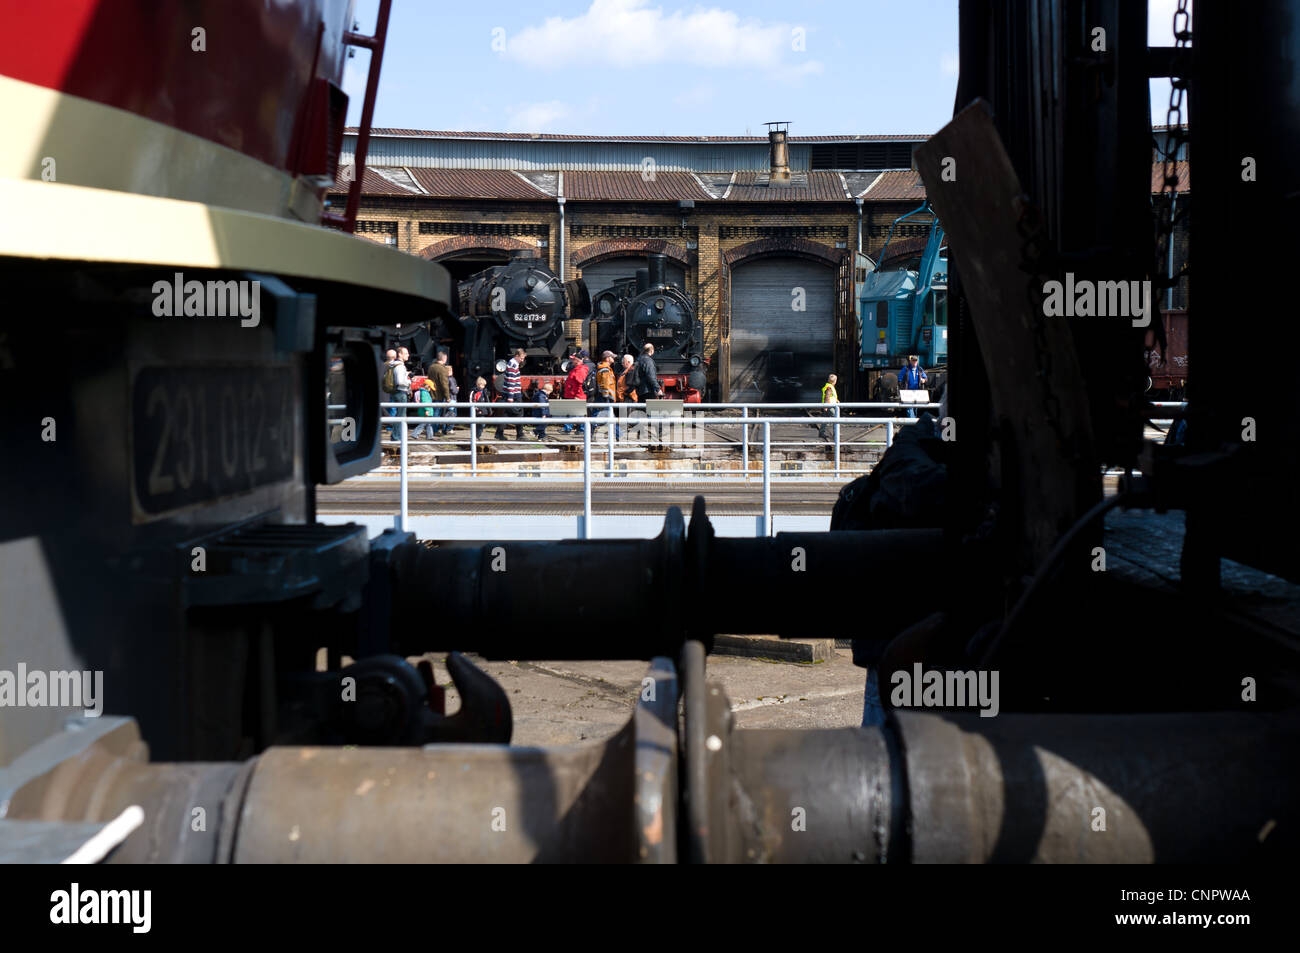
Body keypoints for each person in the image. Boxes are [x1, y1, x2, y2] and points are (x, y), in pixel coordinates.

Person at [381, 348, 410, 442]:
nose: (408, 355)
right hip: (401, 392)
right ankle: (396, 436)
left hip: (395, 392)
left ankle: (396, 435)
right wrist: (409, 382)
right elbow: (400, 381)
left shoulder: (393, 365)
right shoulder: (400, 366)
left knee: (398, 415)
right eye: (406, 353)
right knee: (401, 416)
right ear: (400, 354)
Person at [495, 356, 525, 442]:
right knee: (519, 412)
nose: (522, 360)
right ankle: (520, 434)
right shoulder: (513, 365)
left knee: (506, 413)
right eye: (522, 358)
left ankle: (499, 433)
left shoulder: (511, 363)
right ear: (517, 356)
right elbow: (511, 381)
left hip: (511, 393)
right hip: (514, 394)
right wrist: (511, 396)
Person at [561, 350, 592, 434]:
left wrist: (577, 395)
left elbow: (580, 384)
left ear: (577, 360)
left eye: (573, 359)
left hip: (577, 395)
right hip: (574, 394)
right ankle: (577, 429)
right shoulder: (576, 369)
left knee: (575, 413)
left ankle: (570, 429)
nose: (571, 361)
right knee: (576, 413)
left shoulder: (580, 370)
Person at [592, 350, 619, 439]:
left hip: (604, 396)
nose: (613, 358)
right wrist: (606, 396)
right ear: (607, 358)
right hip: (605, 397)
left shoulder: (604, 368)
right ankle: (619, 436)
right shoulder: (605, 370)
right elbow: (604, 384)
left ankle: (619, 435)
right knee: (601, 416)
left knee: (607, 417)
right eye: (612, 357)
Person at [427, 349, 452, 436]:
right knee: (437, 413)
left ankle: (431, 430)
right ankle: (435, 430)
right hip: (439, 394)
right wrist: (448, 396)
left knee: (432, 412)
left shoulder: (431, 367)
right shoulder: (442, 369)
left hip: (431, 393)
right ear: (444, 358)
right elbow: (444, 384)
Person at [818, 373, 840, 439]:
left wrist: (836, 400)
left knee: (825, 419)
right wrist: (826, 406)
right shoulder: (829, 387)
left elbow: (831, 396)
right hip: (829, 406)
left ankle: (821, 433)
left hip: (828, 405)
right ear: (835, 381)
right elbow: (827, 396)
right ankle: (836, 434)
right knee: (836, 419)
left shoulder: (829, 386)